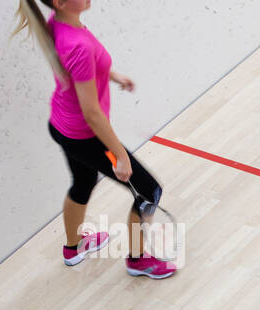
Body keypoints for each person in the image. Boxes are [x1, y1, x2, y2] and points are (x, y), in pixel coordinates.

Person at [13, 0, 178, 278]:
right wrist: (120, 155)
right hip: (85, 135)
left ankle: (73, 249)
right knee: (149, 192)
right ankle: (138, 261)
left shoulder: (60, 23)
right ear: (59, 2)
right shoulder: (77, 44)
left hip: (62, 126)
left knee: (83, 181)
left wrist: (111, 75)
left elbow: (81, 69)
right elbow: (92, 114)